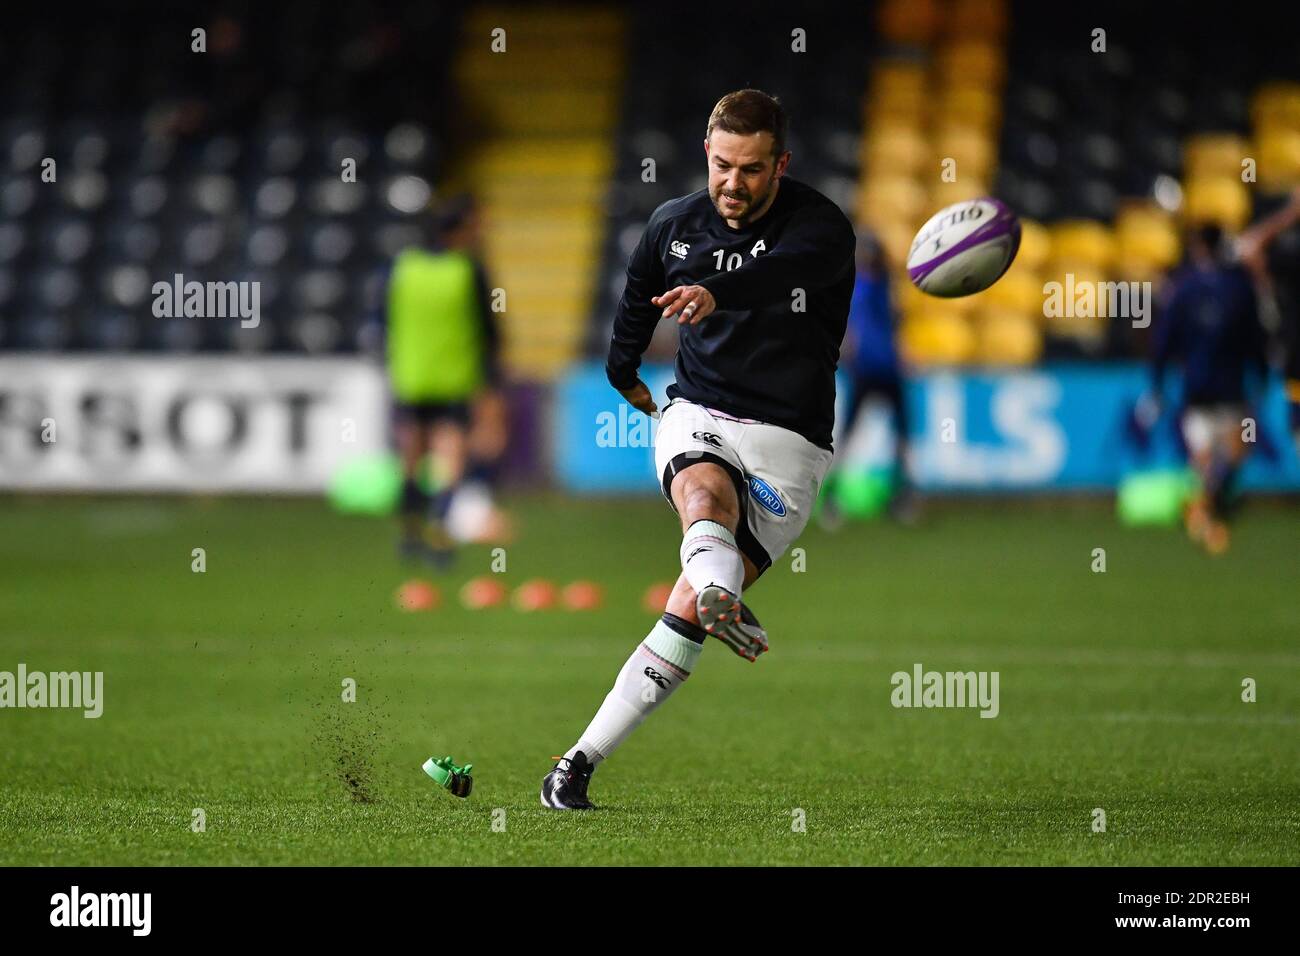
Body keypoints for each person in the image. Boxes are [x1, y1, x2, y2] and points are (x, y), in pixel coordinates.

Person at [540, 89, 856, 810]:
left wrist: (716, 292)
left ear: (782, 164)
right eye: (721, 165)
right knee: (703, 497)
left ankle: (584, 751)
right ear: (705, 155)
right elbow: (635, 294)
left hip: (791, 443)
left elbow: (780, 275)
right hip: (700, 411)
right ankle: (574, 767)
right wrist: (622, 370)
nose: (733, 184)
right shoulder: (672, 224)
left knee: (684, 611)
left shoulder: (822, 228)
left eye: (750, 169)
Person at [382, 194, 501, 566]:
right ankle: (439, 532)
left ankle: (408, 533)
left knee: (412, 455)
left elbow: (382, 319)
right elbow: (489, 332)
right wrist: (491, 387)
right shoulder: (468, 269)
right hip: (454, 378)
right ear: (461, 230)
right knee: (450, 455)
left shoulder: (403, 267)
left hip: (411, 376)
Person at [1139, 223, 1268, 554]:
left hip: (1196, 389)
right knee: (1234, 456)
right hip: (1231, 388)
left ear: (1198, 247)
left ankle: (1204, 513)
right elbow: (1255, 339)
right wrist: (1262, 376)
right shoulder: (1239, 287)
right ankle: (1211, 516)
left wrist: (1157, 382)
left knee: (1205, 462)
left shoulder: (1183, 288)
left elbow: (1164, 340)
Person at [820, 229, 916, 528]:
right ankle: (834, 499)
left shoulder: (881, 285)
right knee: (854, 436)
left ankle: (898, 498)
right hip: (869, 368)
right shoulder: (863, 286)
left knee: (898, 437)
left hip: (885, 369)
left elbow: (886, 324)